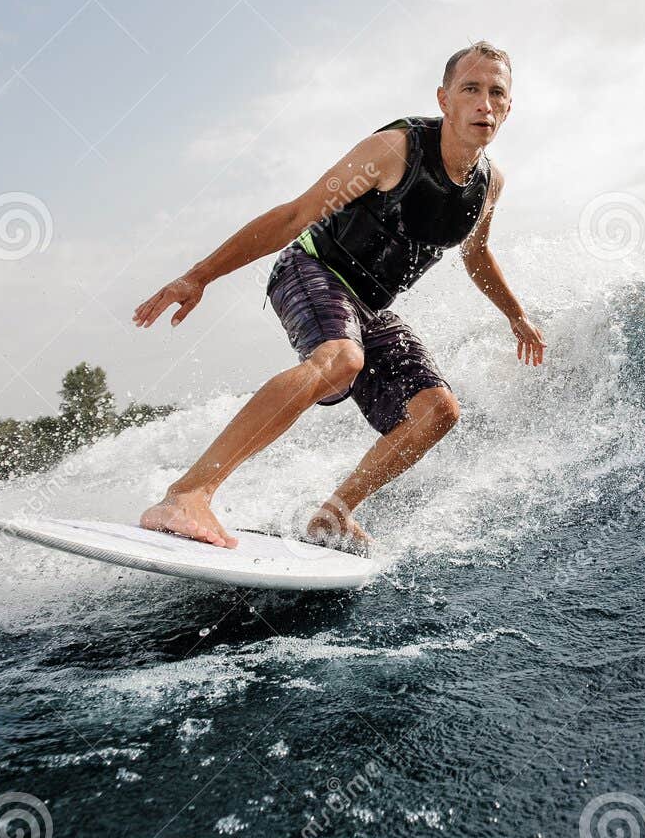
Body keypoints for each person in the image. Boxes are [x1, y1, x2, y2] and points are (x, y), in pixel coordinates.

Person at [132, 41, 545, 551]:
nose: (484, 102)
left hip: (369, 305)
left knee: (438, 411)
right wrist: (199, 276)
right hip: (311, 267)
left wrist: (516, 315)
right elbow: (294, 215)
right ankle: (187, 494)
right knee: (342, 357)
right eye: (471, 89)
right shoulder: (395, 150)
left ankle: (332, 514)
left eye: (496, 92)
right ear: (444, 99)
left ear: (509, 107)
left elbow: (476, 254)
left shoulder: (488, 185)